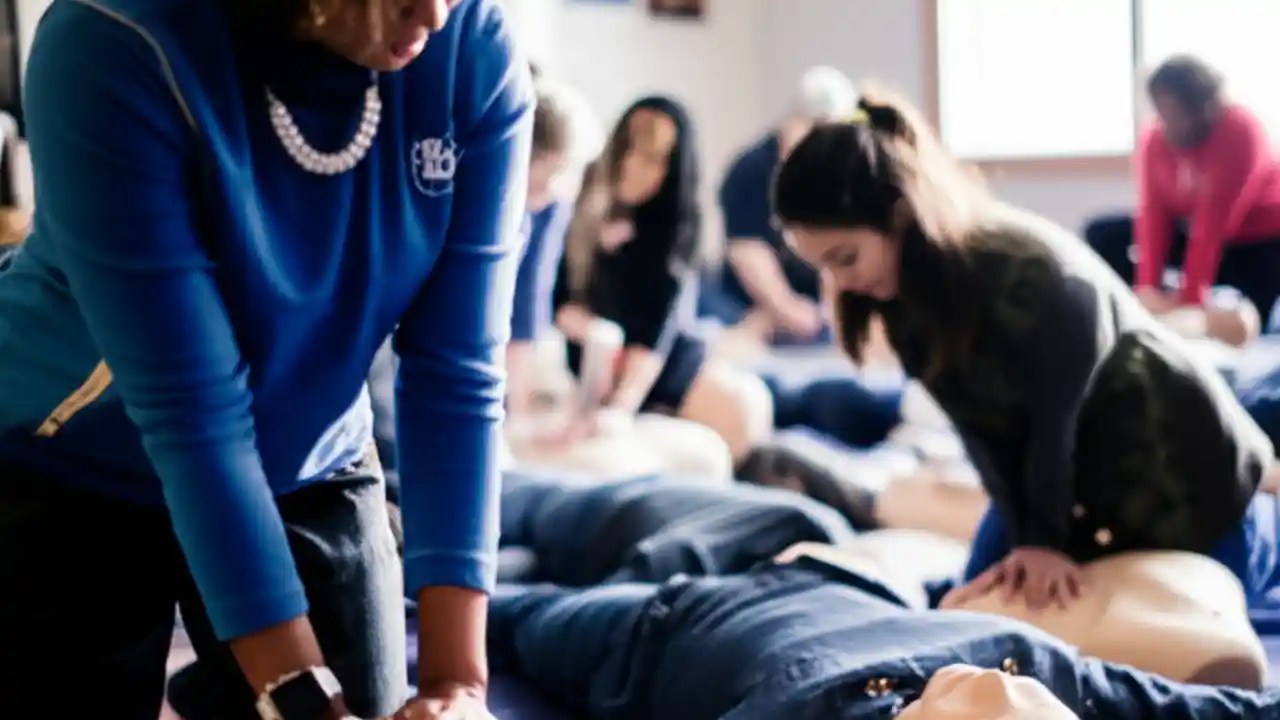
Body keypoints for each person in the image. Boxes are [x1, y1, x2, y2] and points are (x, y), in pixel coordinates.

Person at [0, 0, 532, 717]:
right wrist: (297, 694)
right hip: (69, 458)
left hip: (310, 457)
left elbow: (457, 372)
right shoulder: (111, 36)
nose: (434, 13)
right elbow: (194, 413)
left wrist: (456, 686)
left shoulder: (474, 47)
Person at [772, 87, 1276, 613]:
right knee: (968, 612)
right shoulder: (903, 300)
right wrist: (1027, 540)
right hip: (1078, 482)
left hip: (1187, 470)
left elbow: (1055, 423)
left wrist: (1043, 542)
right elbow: (984, 438)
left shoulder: (1032, 273)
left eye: (845, 258)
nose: (842, 283)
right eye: (823, 267)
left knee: (1188, 639)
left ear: (899, 215)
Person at [555, 96, 772, 461]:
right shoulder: (586, 203)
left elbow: (655, 334)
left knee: (749, 407)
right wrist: (591, 331)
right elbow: (558, 299)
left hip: (664, 364)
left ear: (671, 169)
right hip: (597, 359)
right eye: (630, 150)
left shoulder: (675, 229)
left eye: (652, 159)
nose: (633, 166)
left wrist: (620, 407)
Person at [1084, 55, 1280, 320]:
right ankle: (1125, 310)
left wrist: (1191, 301)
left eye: (1178, 112)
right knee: (1103, 233)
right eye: (1163, 111)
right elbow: (1153, 216)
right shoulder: (1154, 139)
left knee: (1258, 304)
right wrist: (1147, 290)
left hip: (1256, 240)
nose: (1170, 122)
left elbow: (1214, 224)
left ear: (1205, 107)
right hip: (1192, 231)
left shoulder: (1239, 130)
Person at [700, 65, 857, 344]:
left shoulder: (842, 170)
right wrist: (785, 308)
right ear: (795, 123)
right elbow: (748, 250)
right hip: (748, 297)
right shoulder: (749, 170)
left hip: (814, 300)